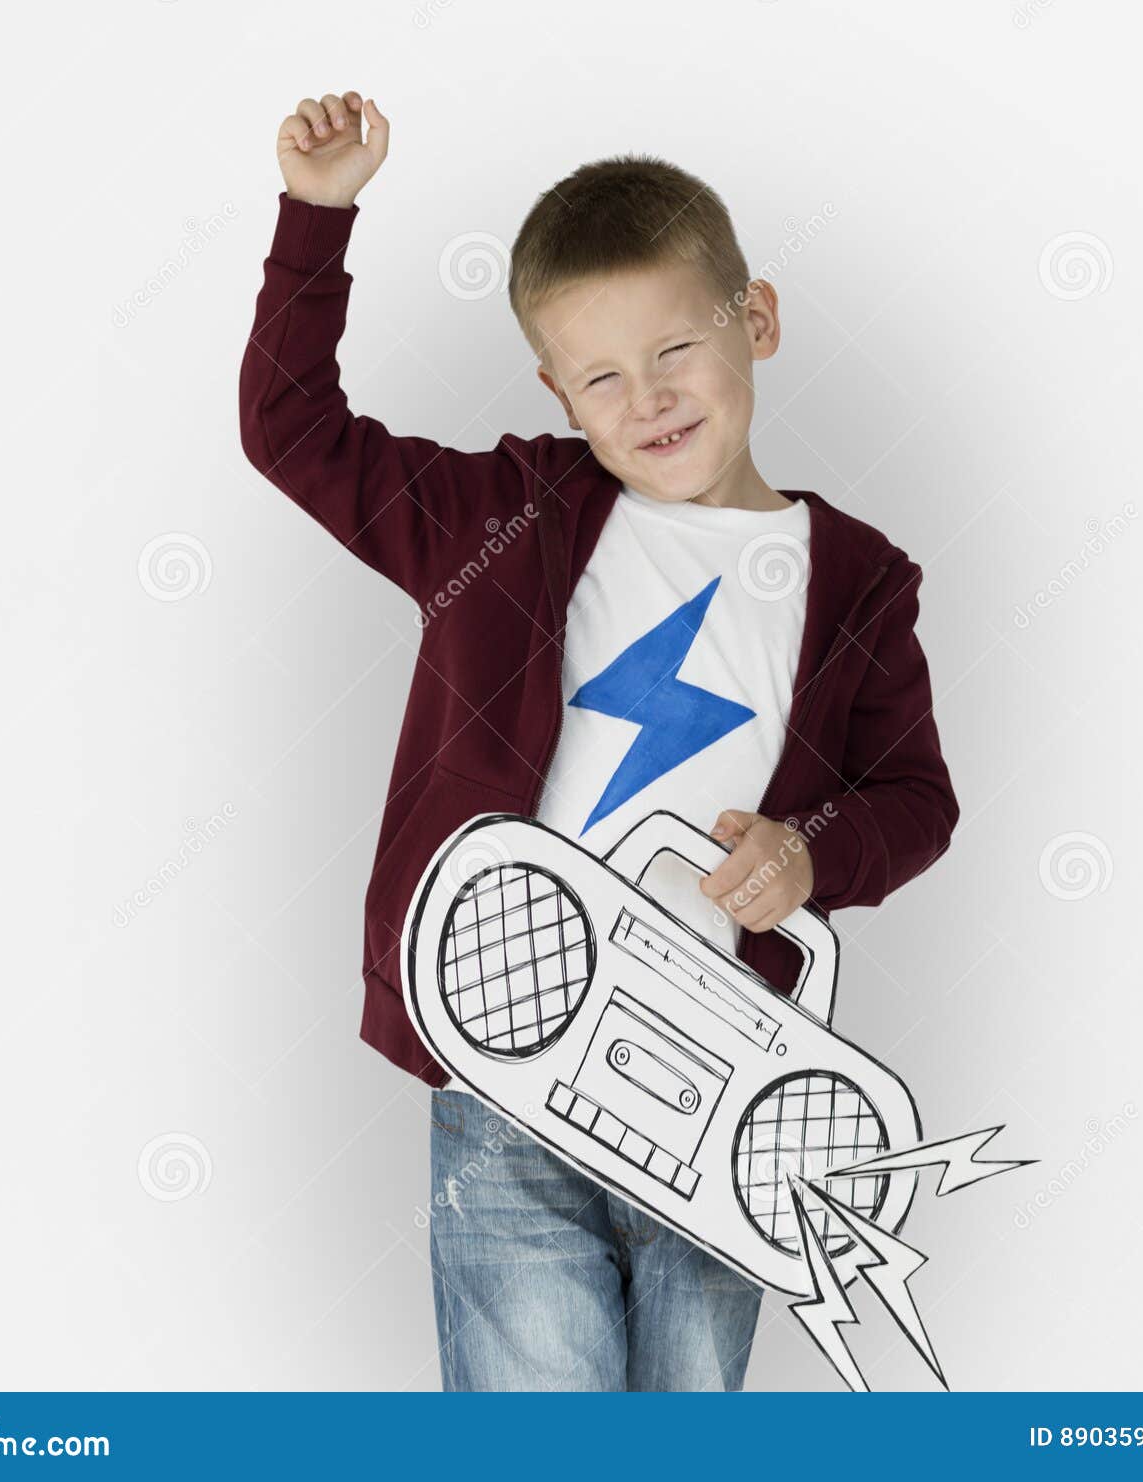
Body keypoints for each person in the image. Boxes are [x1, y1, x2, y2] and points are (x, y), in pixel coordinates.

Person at [239, 89, 960, 1391]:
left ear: (761, 319)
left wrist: (813, 851)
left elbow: (916, 795)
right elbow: (293, 433)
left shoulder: (859, 580)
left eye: (677, 349)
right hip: (507, 1057)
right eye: (602, 375)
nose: (649, 399)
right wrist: (317, 217)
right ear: (555, 389)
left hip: (724, 1090)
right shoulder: (492, 514)